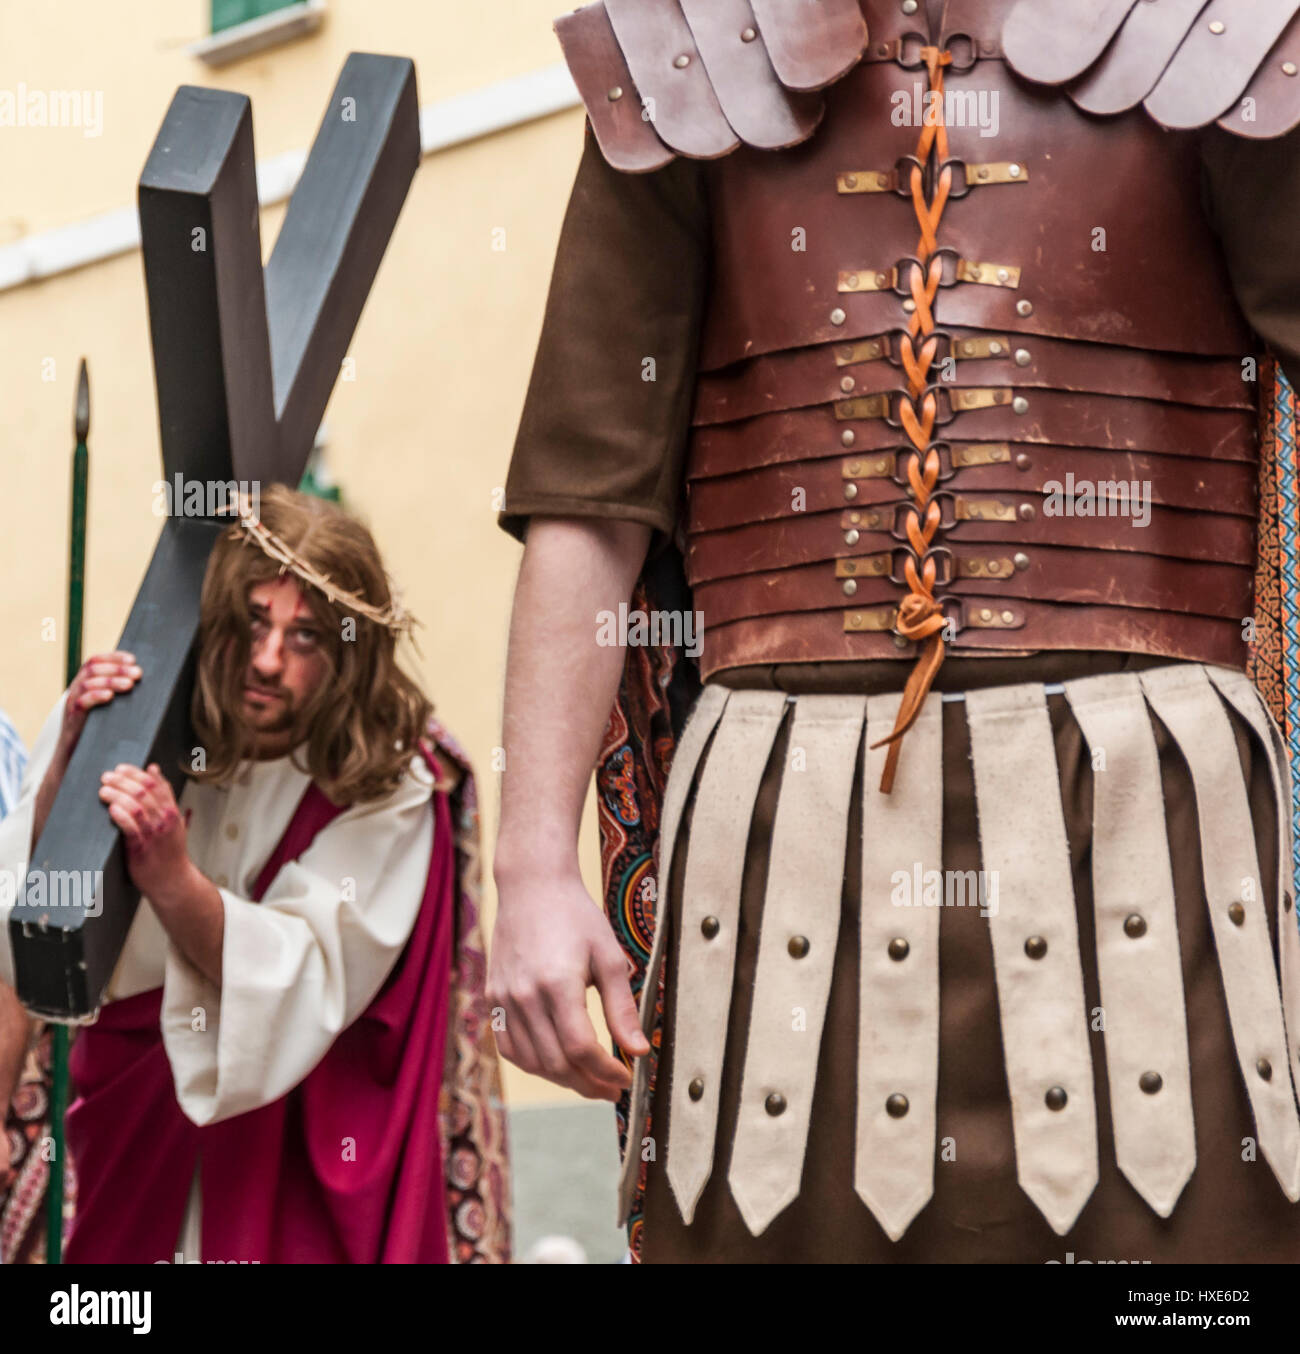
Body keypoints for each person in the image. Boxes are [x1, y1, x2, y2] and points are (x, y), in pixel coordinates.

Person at [489, 0, 1300, 1262]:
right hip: (779, 838)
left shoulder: (1219, 35)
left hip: (1152, 832)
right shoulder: (682, 63)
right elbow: (585, 502)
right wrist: (530, 870)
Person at [0, 485, 509, 1263]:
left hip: (304, 1139)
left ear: (347, 651)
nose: (269, 660)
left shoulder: (390, 777)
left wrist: (175, 883)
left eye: (304, 637)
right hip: (130, 1127)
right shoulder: (135, 718)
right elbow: (23, 941)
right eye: (252, 623)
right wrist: (68, 779)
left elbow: (312, 975)